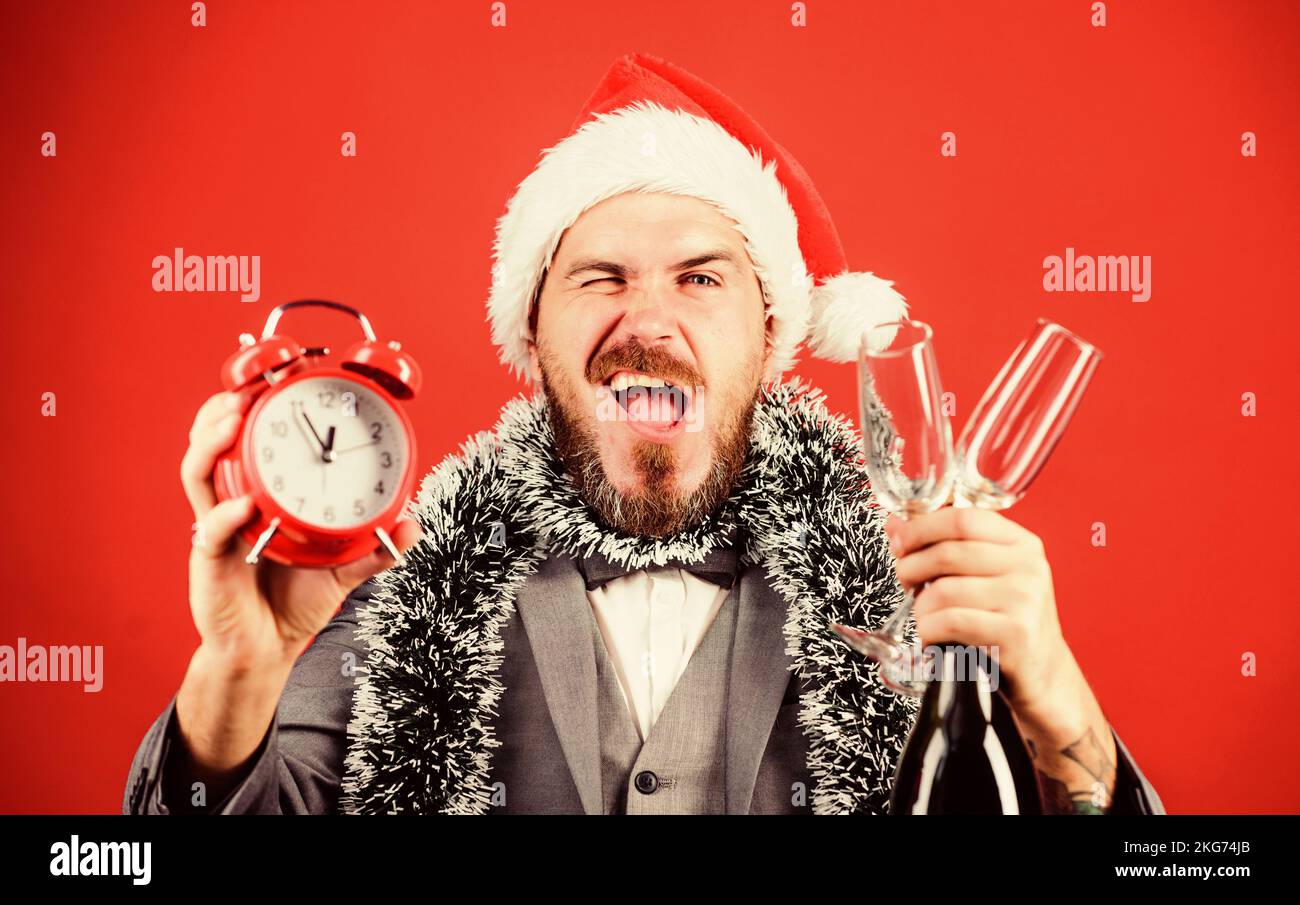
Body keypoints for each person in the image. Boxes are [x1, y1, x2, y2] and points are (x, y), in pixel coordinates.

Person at [123, 53, 1164, 815]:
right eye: (600, 277)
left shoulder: (925, 603)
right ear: (531, 334)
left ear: (772, 333)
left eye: (701, 278)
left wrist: (1061, 711)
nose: (649, 319)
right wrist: (237, 681)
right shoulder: (392, 598)